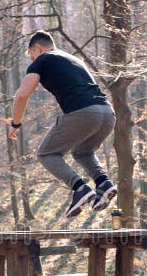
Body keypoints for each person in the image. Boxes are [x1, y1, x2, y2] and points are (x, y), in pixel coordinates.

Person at [8, 30, 117, 218]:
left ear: (37, 48)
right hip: (107, 113)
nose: (32, 60)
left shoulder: (43, 60)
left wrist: (15, 123)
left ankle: (80, 188)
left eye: (31, 55)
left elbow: (21, 96)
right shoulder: (74, 60)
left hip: (84, 113)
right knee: (82, 152)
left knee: (46, 153)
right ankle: (104, 183)